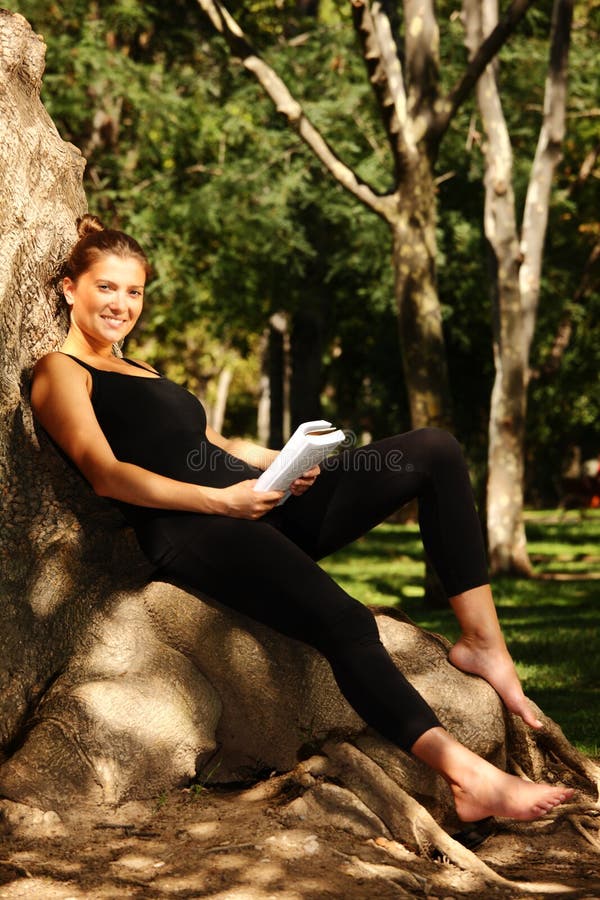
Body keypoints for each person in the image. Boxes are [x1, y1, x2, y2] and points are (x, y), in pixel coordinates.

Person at [31, 215, 574, 824]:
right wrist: (223, 501)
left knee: (433, 450)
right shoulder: (62, 372)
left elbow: (211, 440)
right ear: (67, 287)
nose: (122, 304)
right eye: (106, 287)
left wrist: (281, 460)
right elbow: (106, 473)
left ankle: (483, 643)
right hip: (196, 530)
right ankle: (468, 779)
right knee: (343, 620)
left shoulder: (143, 370)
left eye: (134, 291)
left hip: (254, 503)